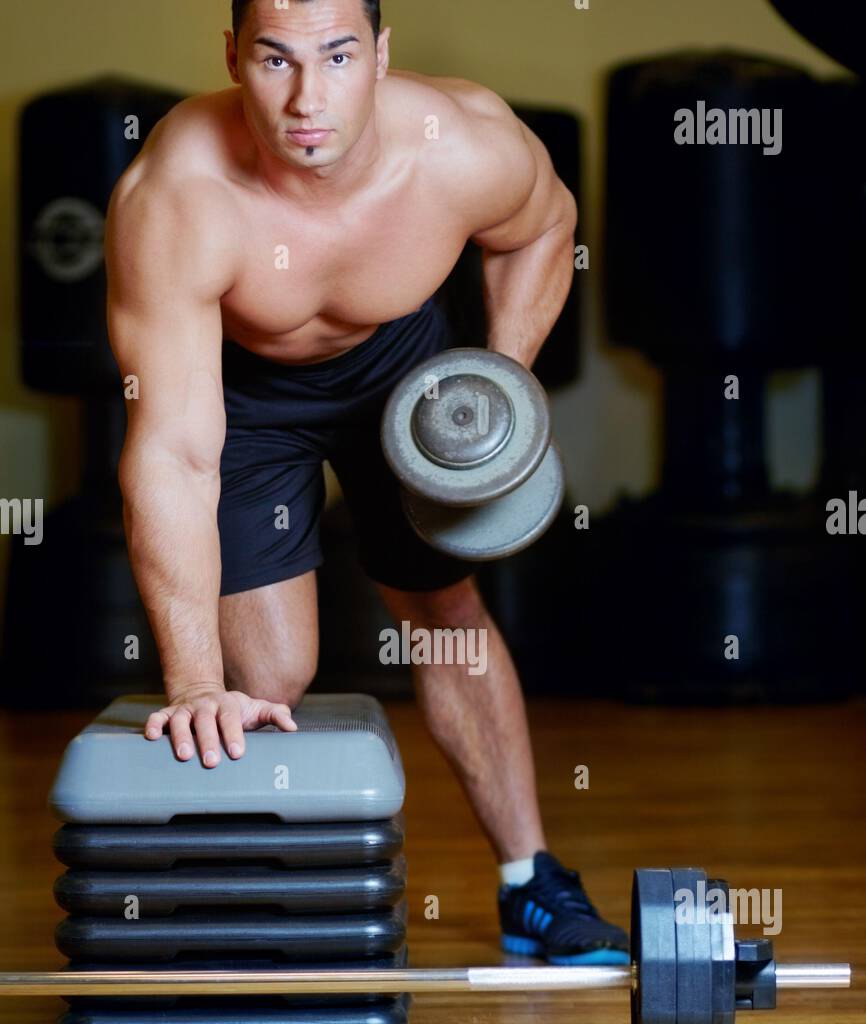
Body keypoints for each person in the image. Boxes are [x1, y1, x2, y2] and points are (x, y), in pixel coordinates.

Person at [105, 0, 628, 965]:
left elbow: (547, 228)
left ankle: (532, 884)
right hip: (244, 390)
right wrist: (191, 683)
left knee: (444, 607)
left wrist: (491, 394)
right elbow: (174, 450)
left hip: (403, 366)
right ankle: (254, 905)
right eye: (276, 59)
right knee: (264, 683)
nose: (309, 97)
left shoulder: (462, 148)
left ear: (381, 55)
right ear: (232, 57)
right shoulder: (176, 197)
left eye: (338, 56)